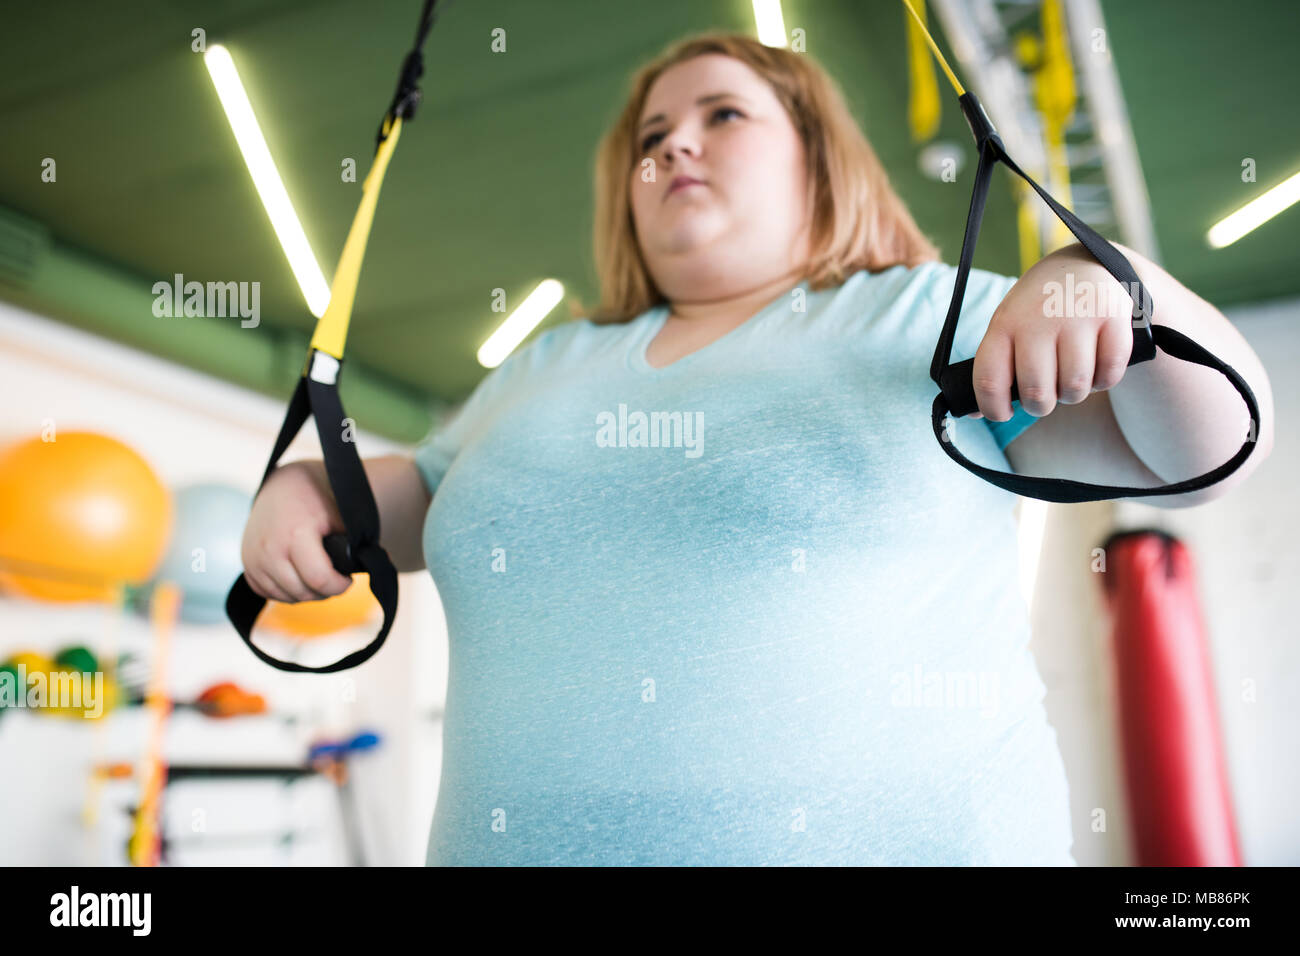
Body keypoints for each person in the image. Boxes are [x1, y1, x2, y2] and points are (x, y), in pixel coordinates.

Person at [238, 32, 1273, 865]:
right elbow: (408, 497)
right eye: (652, 134)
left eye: (721, 114)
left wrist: (1109, 281)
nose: (673, 145)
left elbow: (1208, 449)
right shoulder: (546, 363)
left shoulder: (923, 316)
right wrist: (301, 485)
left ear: (816, 154)